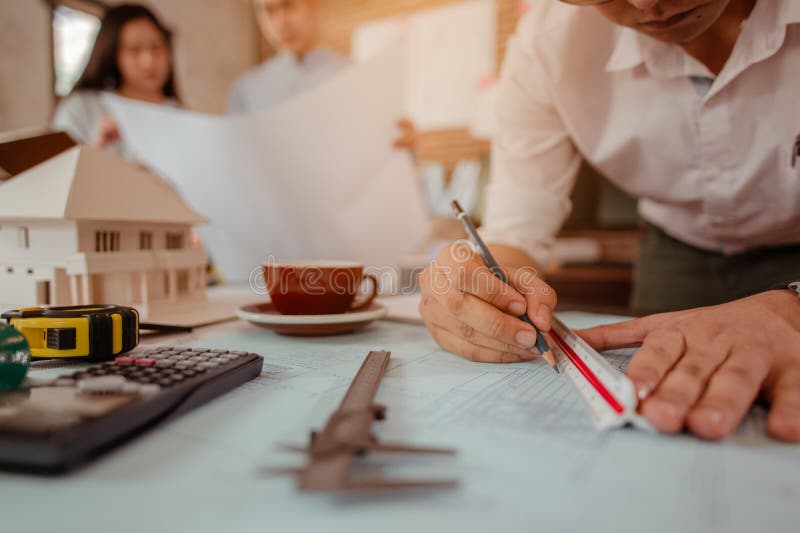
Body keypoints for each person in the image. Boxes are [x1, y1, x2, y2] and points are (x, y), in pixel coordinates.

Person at [419, 0, 800, 442]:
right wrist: (488, 287)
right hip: (676, 248)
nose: (646, 3)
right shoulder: (547, 45)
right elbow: (518, 226)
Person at [229, 0, 416, 148]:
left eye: (289, 4)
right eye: (269, 11)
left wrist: (402, 145)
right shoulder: (245, 91)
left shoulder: (353, 76)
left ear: (313, 4)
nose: (281, 21)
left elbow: (378, 146)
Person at [52, 4, 180, 158]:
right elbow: (56, 174)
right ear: (113, 54)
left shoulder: (180, 115)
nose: (149, 61)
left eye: (156, 47)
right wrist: (95, 155)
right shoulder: (81, 108)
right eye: (134, 49)